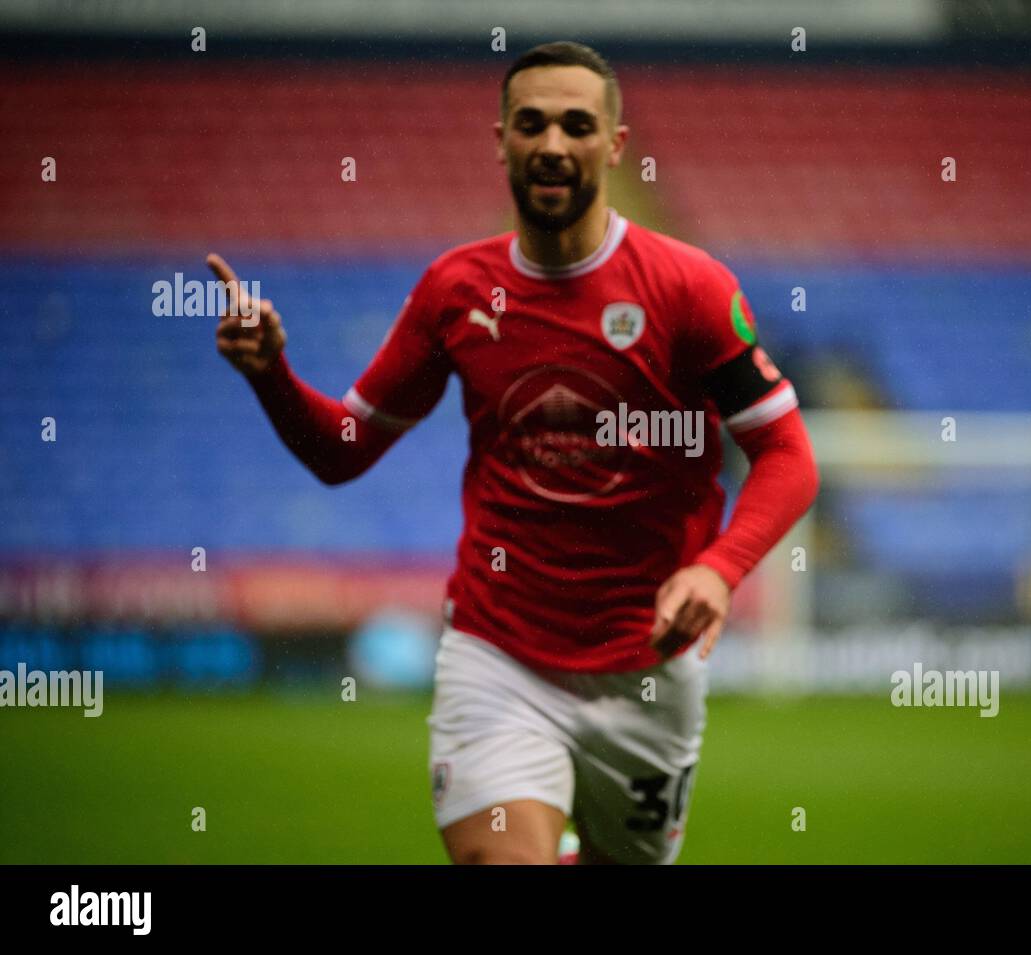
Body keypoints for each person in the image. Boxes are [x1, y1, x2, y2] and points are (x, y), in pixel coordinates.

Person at [209, 40, 818, 864]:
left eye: (577, 125)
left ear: (614, 143)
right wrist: (272, 373)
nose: (554, 145)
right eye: (531, 124)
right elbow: (344, 448)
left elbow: (787, 451)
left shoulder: (689, 287)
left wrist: (720, 567)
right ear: (501, 139)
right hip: (499, 656)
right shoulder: (454, 292)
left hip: (648, 669)